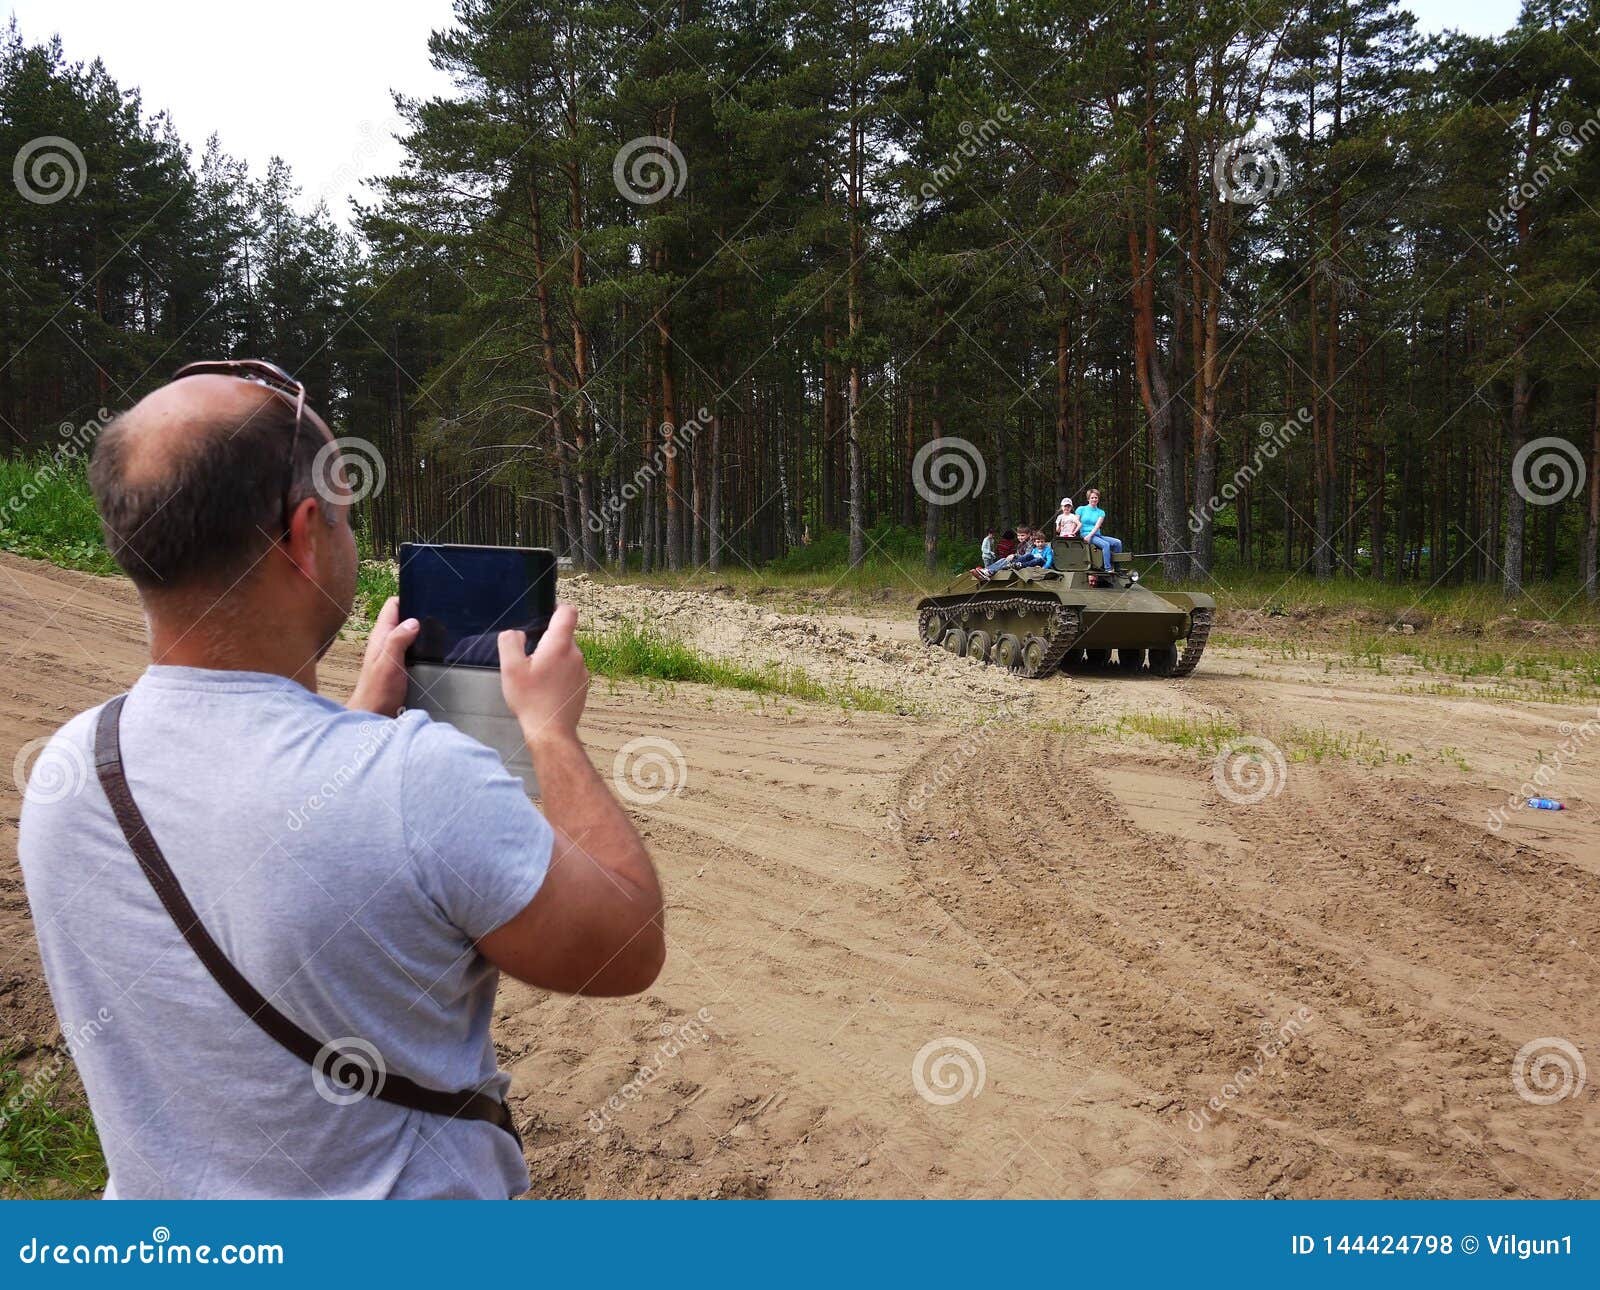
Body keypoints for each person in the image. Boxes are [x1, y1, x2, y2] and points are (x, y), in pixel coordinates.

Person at [18, 361, 665, 1200]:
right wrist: (551, 732)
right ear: (303, 531)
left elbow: (261, 829)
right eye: (348, 522)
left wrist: (351, 725)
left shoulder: (71, 767)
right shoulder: (418, 781)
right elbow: (625, 948)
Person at [1076, 488, 1122, 573]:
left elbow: (1097, 526)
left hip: (1095, 535)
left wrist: (1090, 536)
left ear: (1098, 499)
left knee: (1118, 542)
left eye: (1096, 497)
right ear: (1088, 499)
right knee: (1105, 545)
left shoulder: (1101, 512)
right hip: (1085, 534)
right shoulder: (1081, 509)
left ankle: (1117, 568)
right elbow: (1076, 521)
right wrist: (1072, 532)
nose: (1094, 499)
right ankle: (1107, 568)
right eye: (1092, 497)